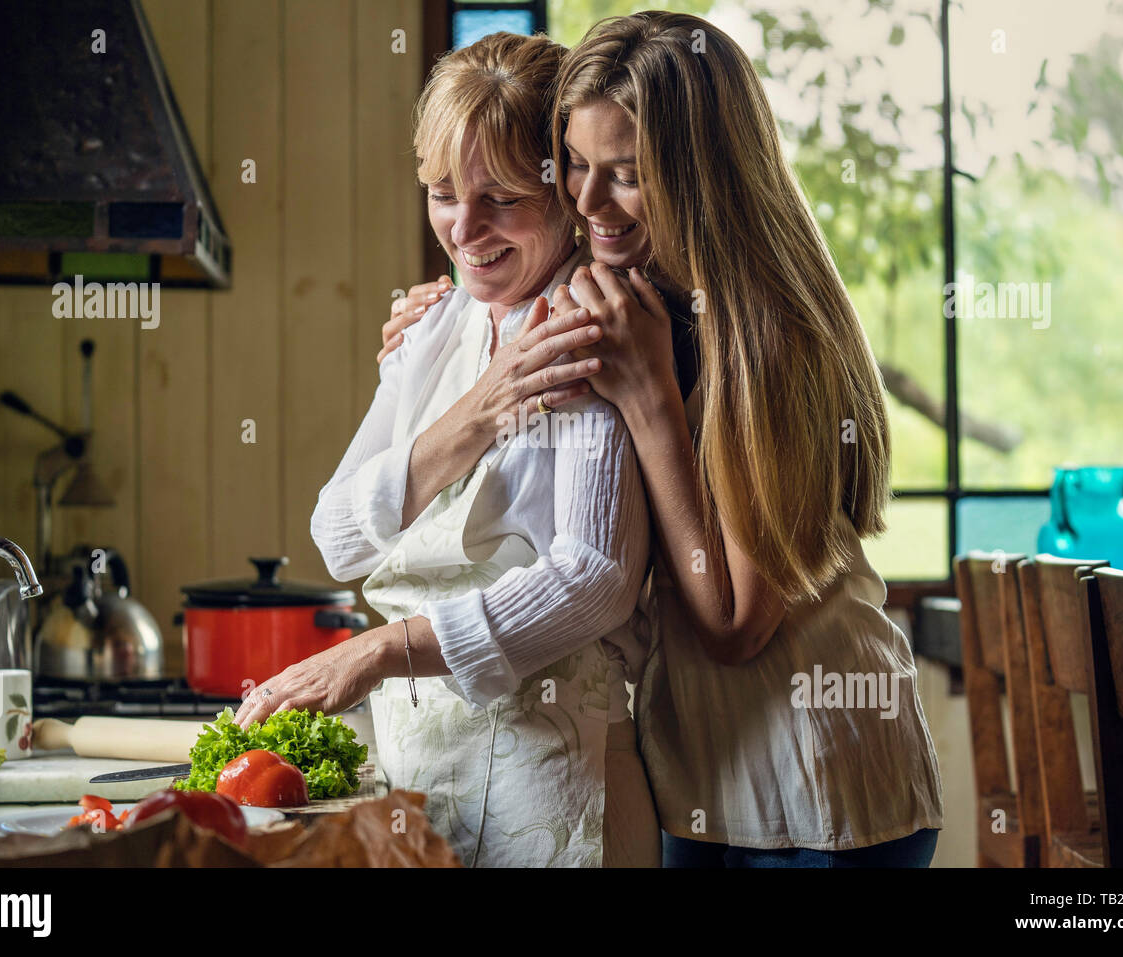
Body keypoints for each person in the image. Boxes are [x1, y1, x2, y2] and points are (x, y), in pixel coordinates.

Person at [383, 13, 944, 868]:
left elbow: (732, 624)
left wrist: (650, 401)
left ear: (702, 176)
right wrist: (443, 322)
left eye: (628, 175)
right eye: (572, 163)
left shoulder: (768, 336)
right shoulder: (649, 302)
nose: (587, 199)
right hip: (698, 772)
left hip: (815, 788)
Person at [234, 32, 660, 868]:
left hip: (551, 774)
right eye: (441, 192)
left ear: (565, 188)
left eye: (500, 197)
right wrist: (474, 415)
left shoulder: (588, 322)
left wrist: (383, 648)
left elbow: (595, 578)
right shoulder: (435, 324)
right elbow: (337, 532)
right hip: (420, 762)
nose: (463, 230)